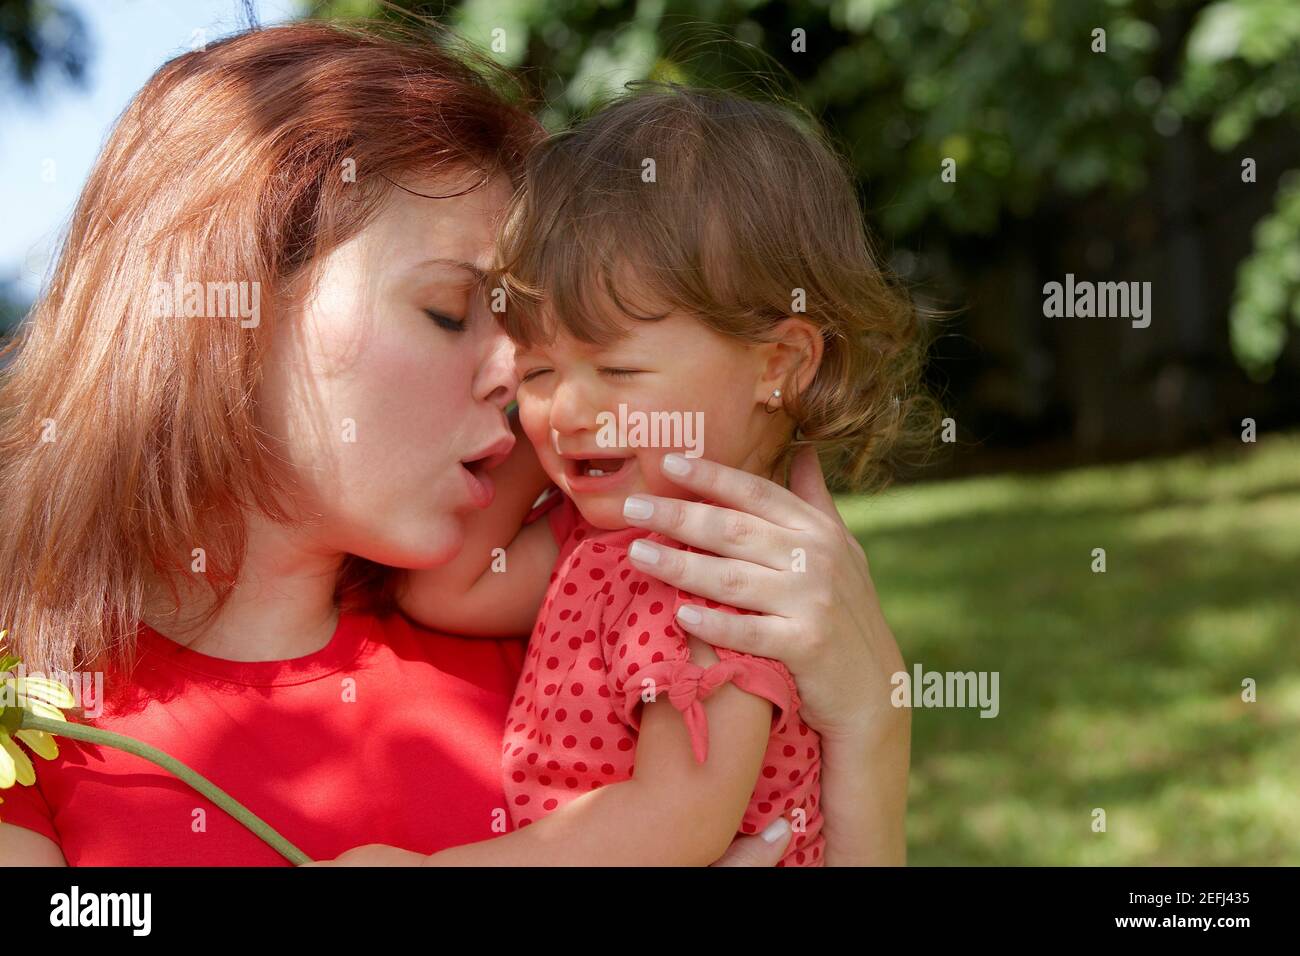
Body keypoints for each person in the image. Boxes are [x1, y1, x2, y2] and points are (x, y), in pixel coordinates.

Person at [0, 21, 910, 867]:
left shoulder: (568, 605)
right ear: (225, 310)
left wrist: (871, 726)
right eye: (447, 311)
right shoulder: (31, 726)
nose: (523, 377)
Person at [364, 88, 930, 867]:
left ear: (781, 366)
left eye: (620, 368)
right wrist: (558, 417)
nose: (566, 408)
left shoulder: (728, 582)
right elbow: (444, 588)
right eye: (537, 369)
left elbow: (673, 823)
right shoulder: (604, 537)